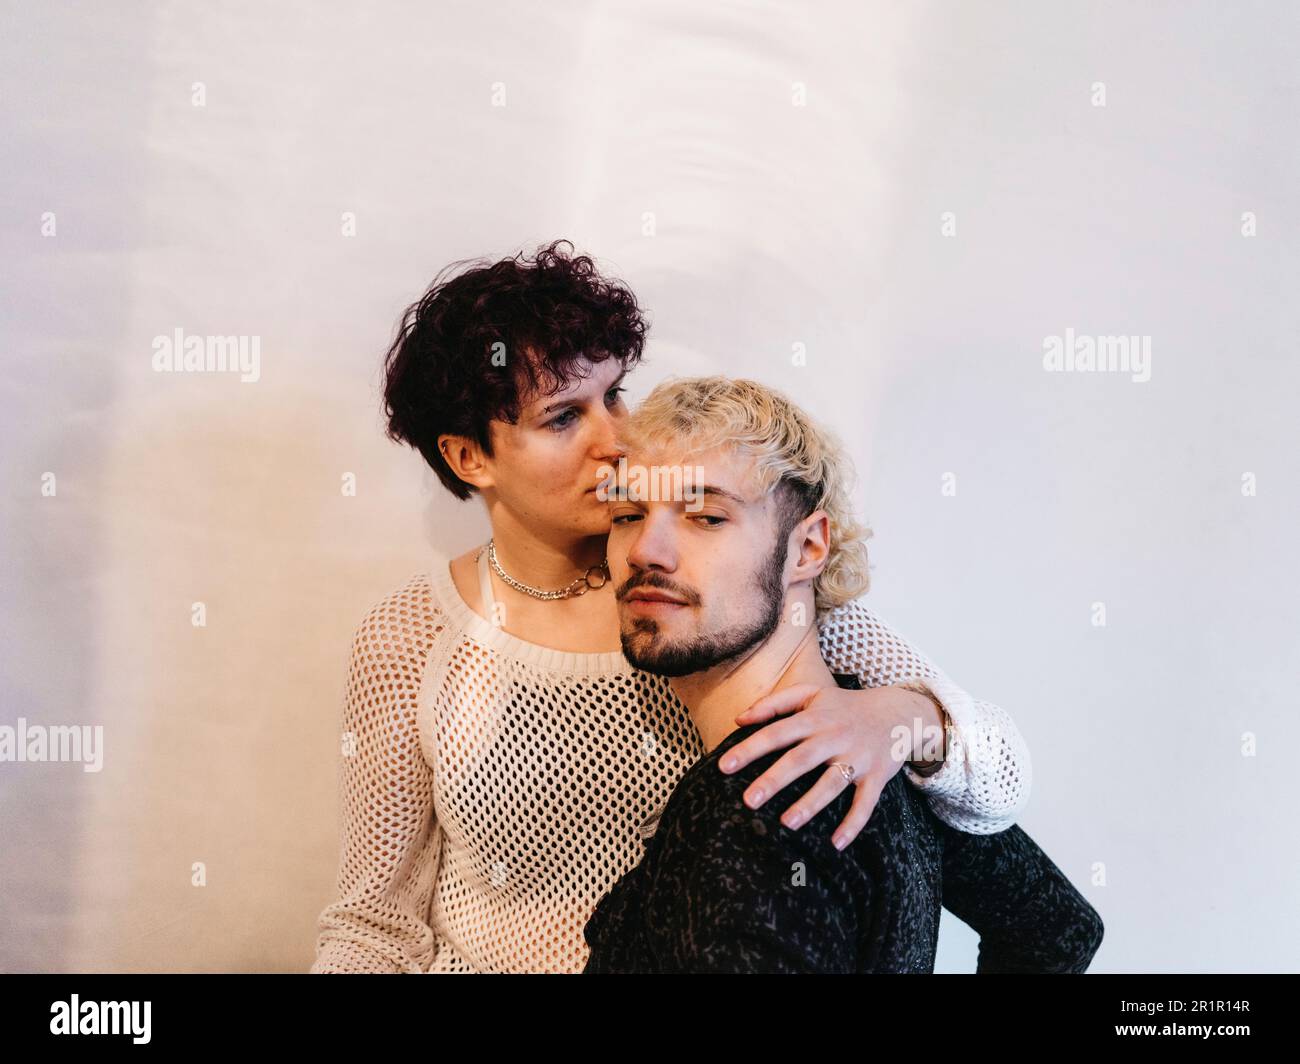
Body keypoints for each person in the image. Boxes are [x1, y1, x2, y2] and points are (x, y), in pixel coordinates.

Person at [310, 240, 1033, 974]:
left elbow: (1003, 773)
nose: (616, 439)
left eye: (615, 394)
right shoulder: (410, 638)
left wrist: (902, 717)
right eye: (564, 417)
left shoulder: (715, 598)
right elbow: (372, 923)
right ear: (472, 458)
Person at [582, 376, 1103, 973]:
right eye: (626, 514)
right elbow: (1057, 929)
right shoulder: (880, 756)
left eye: (706, 517)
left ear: (806, 550)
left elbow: (1058, 929)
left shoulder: (760, 817)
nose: (647, 549)